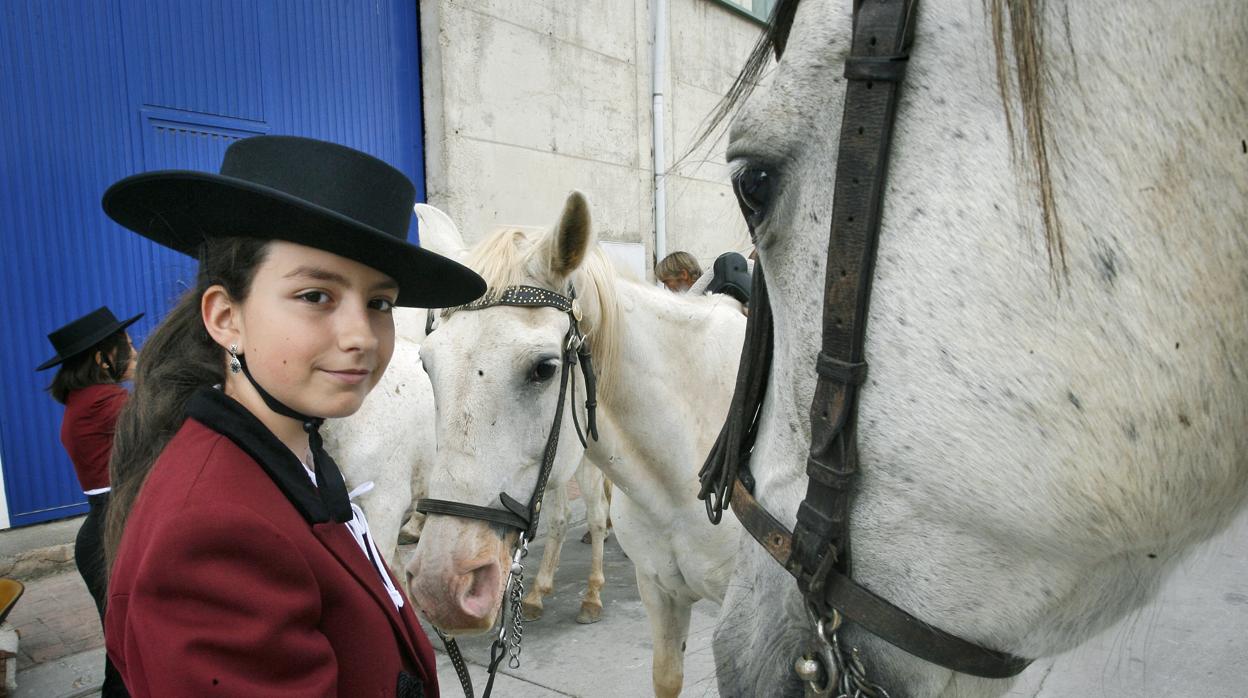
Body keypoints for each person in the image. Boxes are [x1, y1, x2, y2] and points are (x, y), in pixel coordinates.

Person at [100, 135, 485, 697]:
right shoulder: (211, 537)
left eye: (379, 302)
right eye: (315, 295)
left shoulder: (296, 454)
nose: (361, 336)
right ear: (226, 318)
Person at [37, 305, 142, 698]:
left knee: (127, 647)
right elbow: (166, 416)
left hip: (108, 528)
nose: (136, 354)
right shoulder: (102, 401)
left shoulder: (84, 400)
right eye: (128, 348)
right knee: (127, 654)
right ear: (103, 358)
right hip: (110, 533)